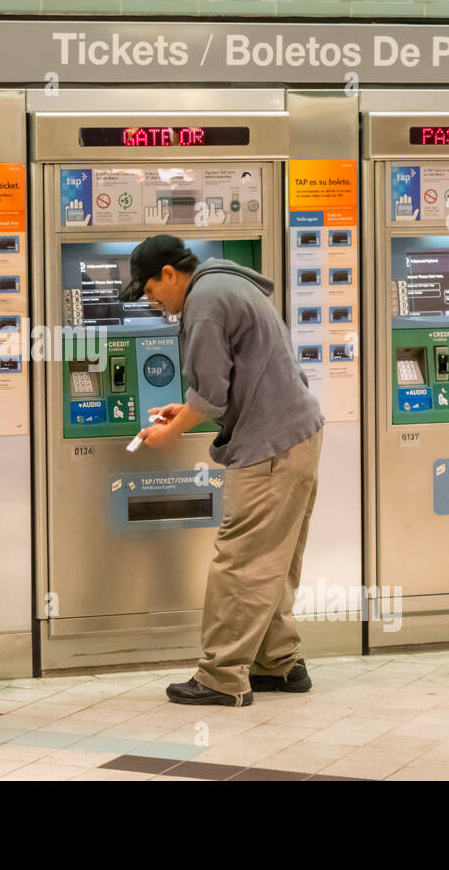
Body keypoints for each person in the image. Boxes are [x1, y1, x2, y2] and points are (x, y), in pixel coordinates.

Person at [125, 235, 325, 707]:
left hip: (270, 445)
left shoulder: (205, 303)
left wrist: (170, 430)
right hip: (296, 435)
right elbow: (227, 384)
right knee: (271, 556)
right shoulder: (225, 281)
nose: (152, 300)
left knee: (242, 561)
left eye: (151, 290)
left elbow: (211, 395)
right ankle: (279, 662)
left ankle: (221, 677)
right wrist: (187, 409)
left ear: (170, 273)